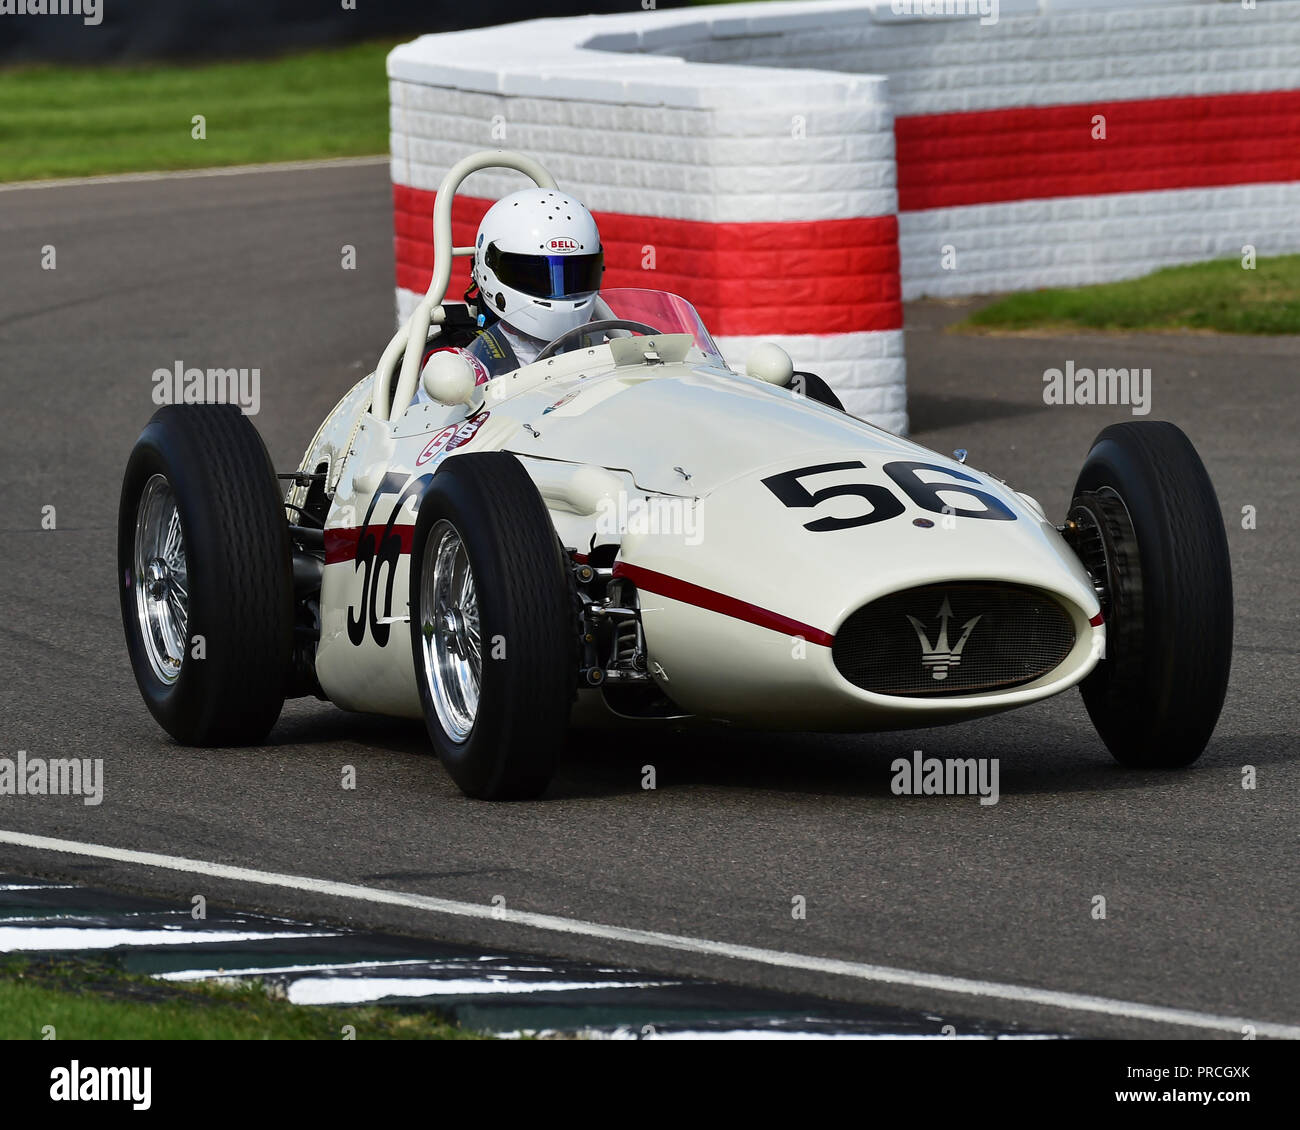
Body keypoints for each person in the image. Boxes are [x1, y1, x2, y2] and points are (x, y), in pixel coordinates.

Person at [420, 187, 605, 388]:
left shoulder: (605, 346)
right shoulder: (463, 368)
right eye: (536, 277)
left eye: (574, 277)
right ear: (490, 267)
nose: (559, 294)